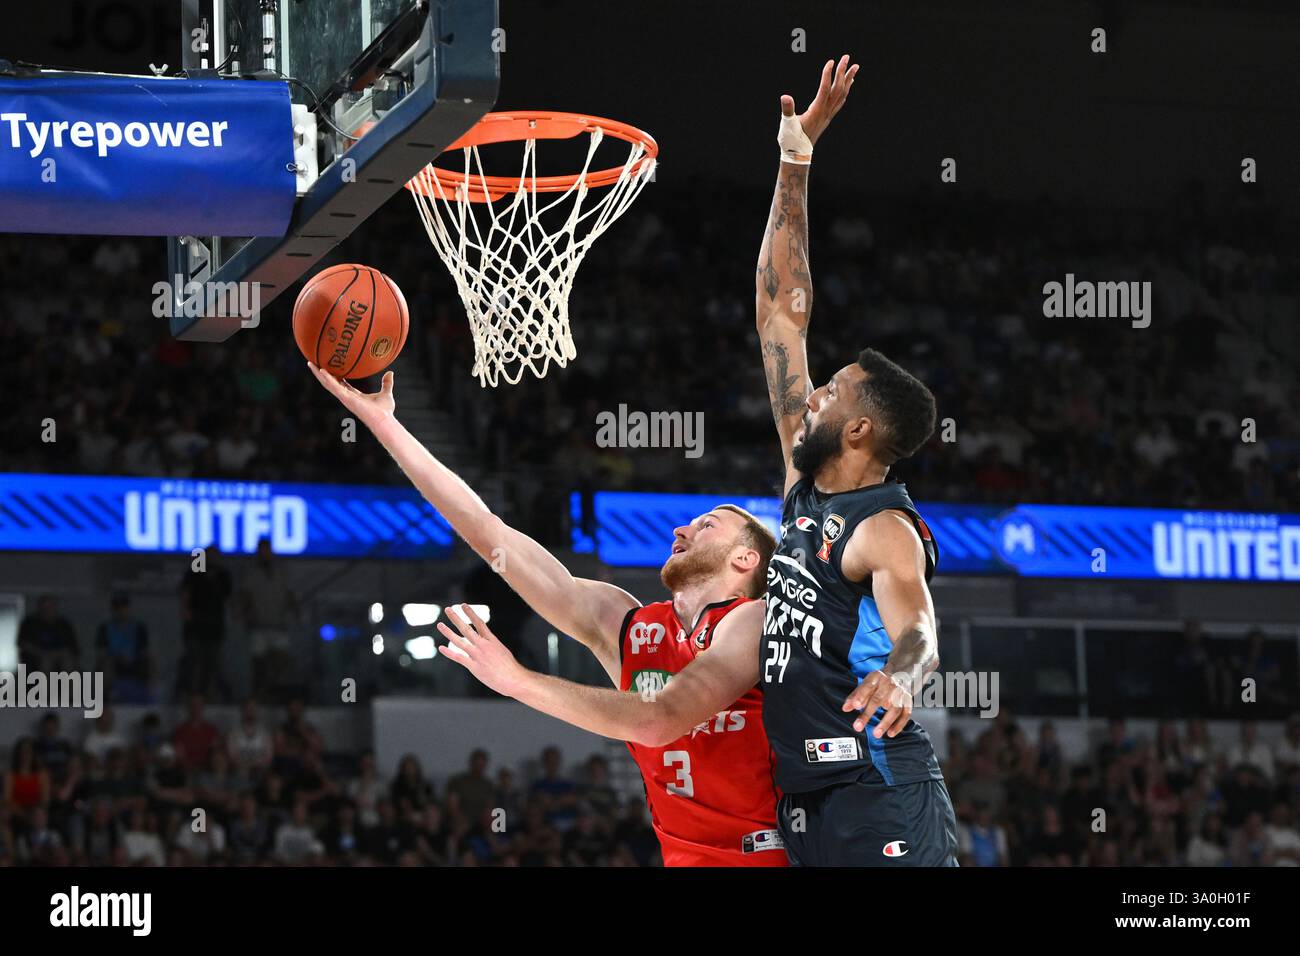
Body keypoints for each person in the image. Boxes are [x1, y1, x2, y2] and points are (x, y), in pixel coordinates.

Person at [309, 366, 784, 867]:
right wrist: (385, 425)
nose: (682, 528)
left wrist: (518, 681)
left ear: (745, 561)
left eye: (707, 524)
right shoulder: (626, 622)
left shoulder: (753, 621)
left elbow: (656, 721)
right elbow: (490, 532)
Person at [752, 55, 958, 865]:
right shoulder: (805, 482)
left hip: (880, 787)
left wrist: (904, 677)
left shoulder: (885, 529)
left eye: (831, 391)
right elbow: (779, 315)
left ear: (862, 432)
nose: (812, 394)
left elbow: (921, 631)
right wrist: (794, 158)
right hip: (807, 797)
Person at [94, 592, 153, 704]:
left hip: (134, 662)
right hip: (113, 662)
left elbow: (145, 650)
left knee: (149, 662)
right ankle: (108, 696)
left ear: (128, 609)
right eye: (117, 608)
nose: (121, 611)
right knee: (105, 663)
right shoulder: (104, 628)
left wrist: (133, 658)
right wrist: (117, 656)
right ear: (113, 610)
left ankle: (149, 696)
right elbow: (101, 652)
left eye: (124, 608)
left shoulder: (139, 627)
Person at [17, 595, 79, 673]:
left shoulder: (64, 625)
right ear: (40, 607)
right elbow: (23, 643)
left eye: (51, 606)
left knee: (67, 661)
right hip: (37, 657)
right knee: (46, 662)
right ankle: (45, 684)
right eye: (45, 607)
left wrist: (57, 654)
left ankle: (68, 684)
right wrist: (41, 653)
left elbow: (72, 646)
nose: (48, 610)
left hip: (60, 656)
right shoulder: (29, 623)